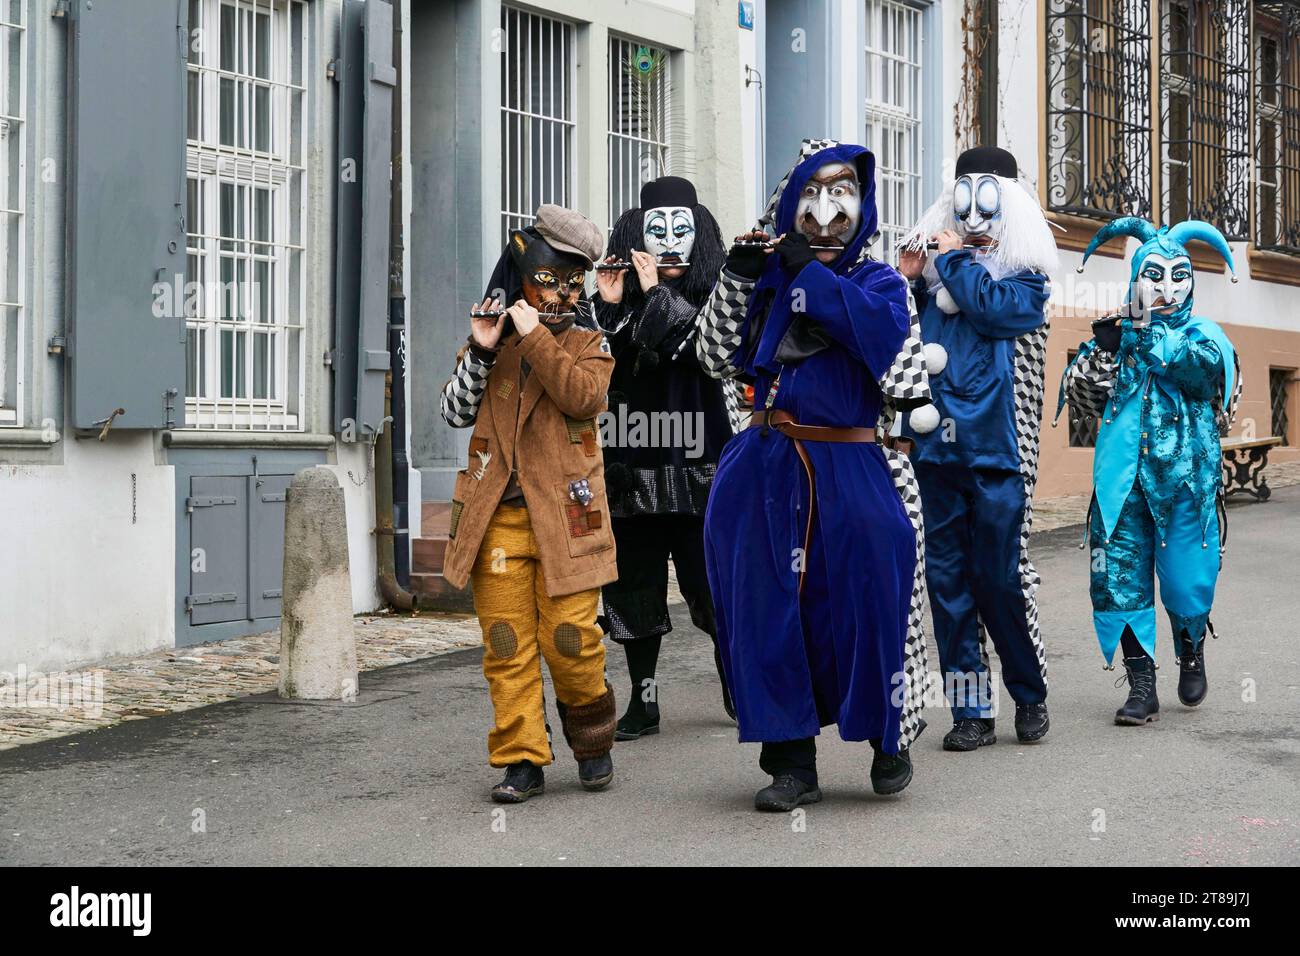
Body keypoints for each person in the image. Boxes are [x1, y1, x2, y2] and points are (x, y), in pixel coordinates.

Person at [696, 138, 923, 811]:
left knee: (871, 593)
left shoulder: (881, 284)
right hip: (765, 464)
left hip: (851, 458)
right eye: (812, 194)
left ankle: (888, 737)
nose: (826, 213)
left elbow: (891, 357)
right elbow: (711, 356)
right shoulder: (764, 284)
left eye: (841, 192)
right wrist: (738, 278)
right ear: (791, 204)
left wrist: (811, 279)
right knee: (767, 611)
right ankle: (791, 762)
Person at [438, 205, 617, 803]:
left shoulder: (592, 343)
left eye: (574, 282)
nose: (562, 294)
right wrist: (486, 349)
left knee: (572, 640)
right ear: (524, 276)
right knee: (507, 643)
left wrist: (537, 335)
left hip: (569, 519)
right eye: (549, 281)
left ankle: (592, 737)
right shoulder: (493, 347)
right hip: (499, 522)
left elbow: (581, 396)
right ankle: (521, 758)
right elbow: (454, 413)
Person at [896, 145, 1058, 751]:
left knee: (997, 580)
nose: (970, 215)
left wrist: (952, 262)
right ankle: (970, 712)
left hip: (995, 456)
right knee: (947, 583)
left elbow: (991, 312)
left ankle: (1030, 695)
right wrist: (912, 284)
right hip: (936, 452)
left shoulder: (1026, 282)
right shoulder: (941, 277)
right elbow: (905, 338)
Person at [1059, 217, 1241, 725]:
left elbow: (1208, 379)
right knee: (1117, 580)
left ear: (1191, 280)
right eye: (1152, 275)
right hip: (1123, 485)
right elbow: (1082, 397)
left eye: (1177, 275)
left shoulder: (1208, 338)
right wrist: (1106, 354)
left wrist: (1149, 340)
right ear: (1136, 278)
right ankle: (1142, 686)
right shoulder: (1119, 335)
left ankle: (1191, 650)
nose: (1164, 288)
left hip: (1186, 483)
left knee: (1186, 582)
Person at [593, 176, 736, 739]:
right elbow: (594, 369)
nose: (671, 243)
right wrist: (608, 308)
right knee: (634, 589)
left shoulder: (718, 301)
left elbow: (696, 347)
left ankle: (736, 685)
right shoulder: (613, 302)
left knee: (714, 587)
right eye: (659, 232)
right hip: (630, 469)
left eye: (683, 231)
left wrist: (654, 296)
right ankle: (643, 699)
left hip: (702, 468)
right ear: (635, 238)